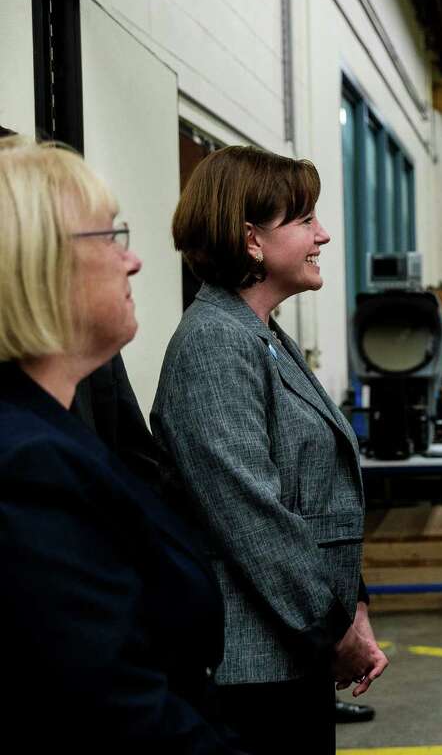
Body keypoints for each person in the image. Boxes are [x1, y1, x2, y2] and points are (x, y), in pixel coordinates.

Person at [0, 136, 239, 751]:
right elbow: (114, 710)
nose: (133, 262)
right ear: (38, 264)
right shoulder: (29, 463)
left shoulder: (53, 432)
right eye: (110, 237)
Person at [152, 146, 388, 753]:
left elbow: (310, 497)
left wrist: (352, 602)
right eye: (305, 219)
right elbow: (251, 516)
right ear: (252, 240)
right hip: (252, 668)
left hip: (291, 652)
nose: (324, 234)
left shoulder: (260, 335)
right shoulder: (213, 344)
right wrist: (334, 630)